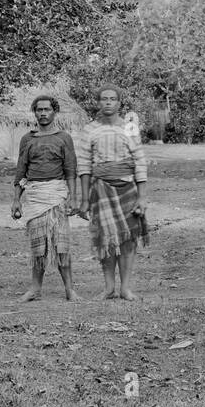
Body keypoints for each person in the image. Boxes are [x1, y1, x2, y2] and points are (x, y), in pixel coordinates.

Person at [79, 85, 149, 300]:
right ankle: (109, 287)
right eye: (103, 99)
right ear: (98, 103)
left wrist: (142, 196)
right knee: (106, 239)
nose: (108, 102)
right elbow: (84, 165)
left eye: (112, 99)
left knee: (128, 239)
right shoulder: (89, 129)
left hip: (127, 188)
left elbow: (139, 161)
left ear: (119, 103)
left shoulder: (129, 128)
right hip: (101, 189)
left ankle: (125, 288)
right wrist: (83, 200)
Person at [11, 95, 79, 302]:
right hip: (35, 198)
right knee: (38, 246)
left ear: (54, 112)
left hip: (57, 196)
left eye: (46, 110)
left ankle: (70, 290)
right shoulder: (27, 139)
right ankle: (35, 289)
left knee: (62, 245)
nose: (42, 113)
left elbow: (70, 170)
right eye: (39, 110)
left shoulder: (64, 138)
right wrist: (16, 200)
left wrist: (73, 198)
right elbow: (21, 171)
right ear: (34, 112)